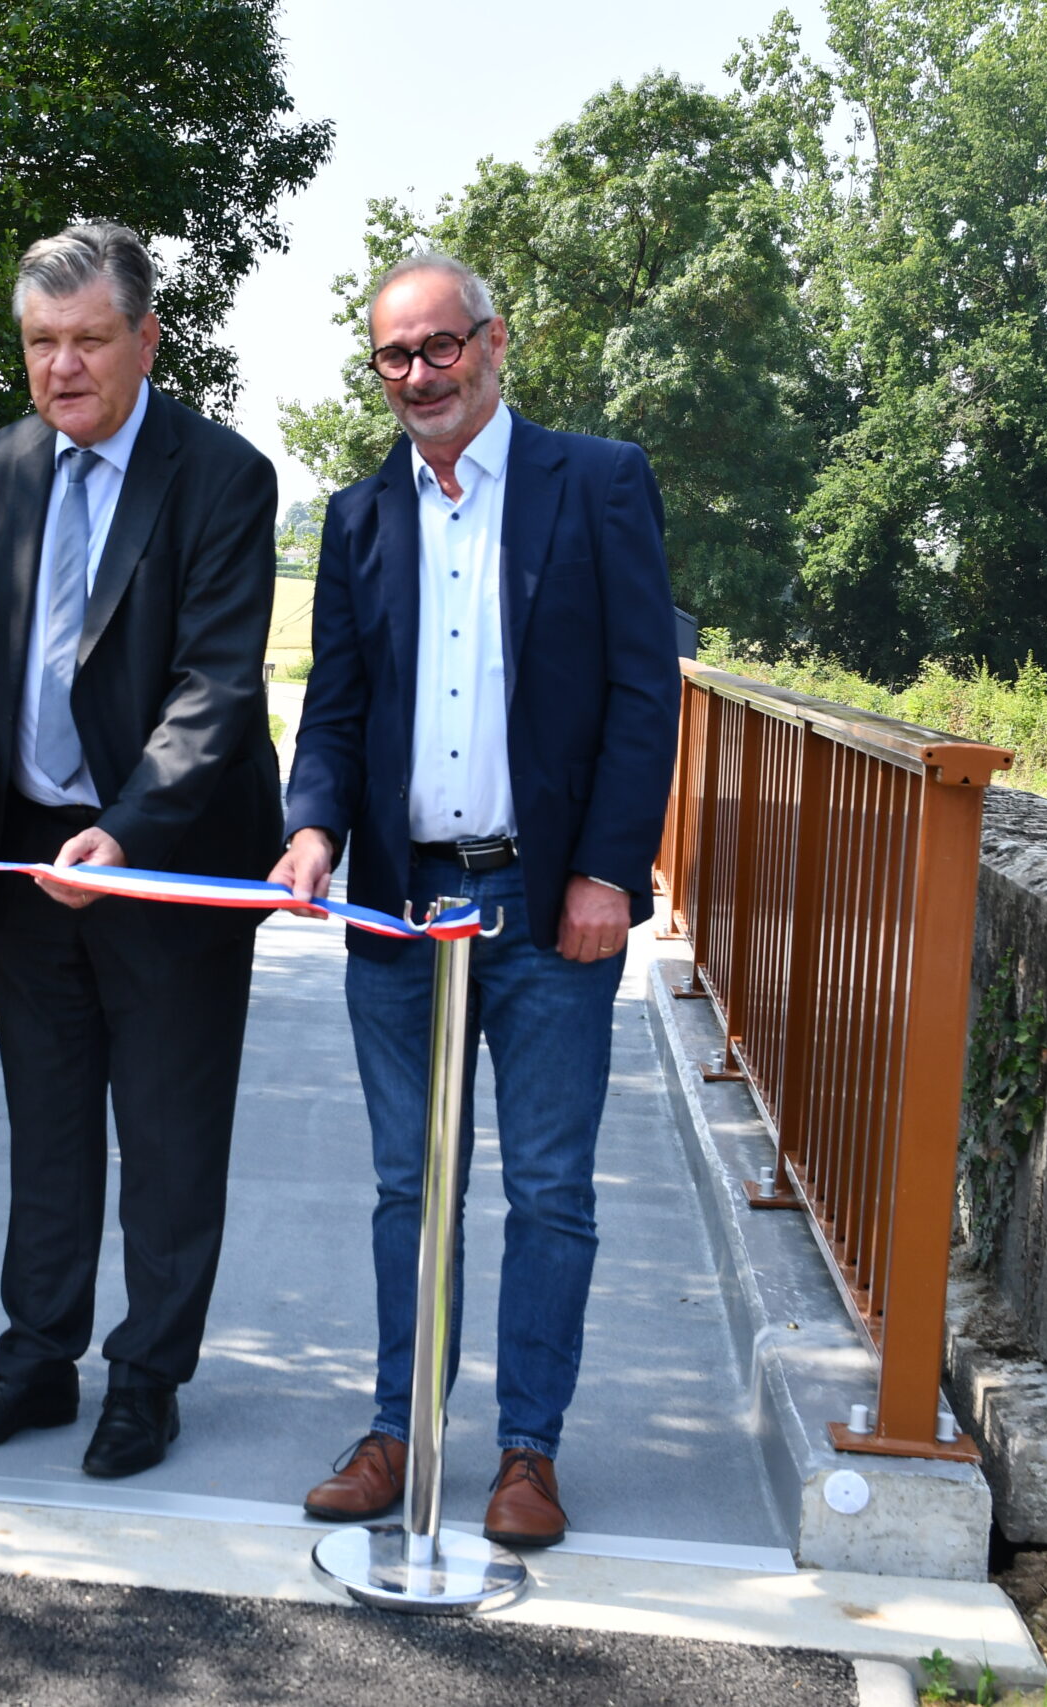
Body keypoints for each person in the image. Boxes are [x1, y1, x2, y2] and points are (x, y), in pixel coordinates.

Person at [271, 252, 679, 1546]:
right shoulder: (357, 519)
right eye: (395, 355)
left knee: (550, 1189)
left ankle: (527, 1454)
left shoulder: (596, 482)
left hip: (547, 905)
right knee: (411, 1186)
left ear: (494, 344)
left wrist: (608, 869)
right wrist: (312, 828)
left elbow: (643, 690)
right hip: (402, 909)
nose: (419, 375)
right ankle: (400, 1430)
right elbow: (335, 708)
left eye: (440, 346)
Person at [0, 222, 280, 1479]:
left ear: (147, 341)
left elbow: (215, 688)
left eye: (87, 340)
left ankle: (146, 1378)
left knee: (170, 1140)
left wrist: (124, 831)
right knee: (49, 1128)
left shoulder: (222, 475)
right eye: (40, 343)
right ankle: (36, 1362)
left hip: (168, 861)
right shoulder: (7, 461)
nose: (61, 367)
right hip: (29, 860)